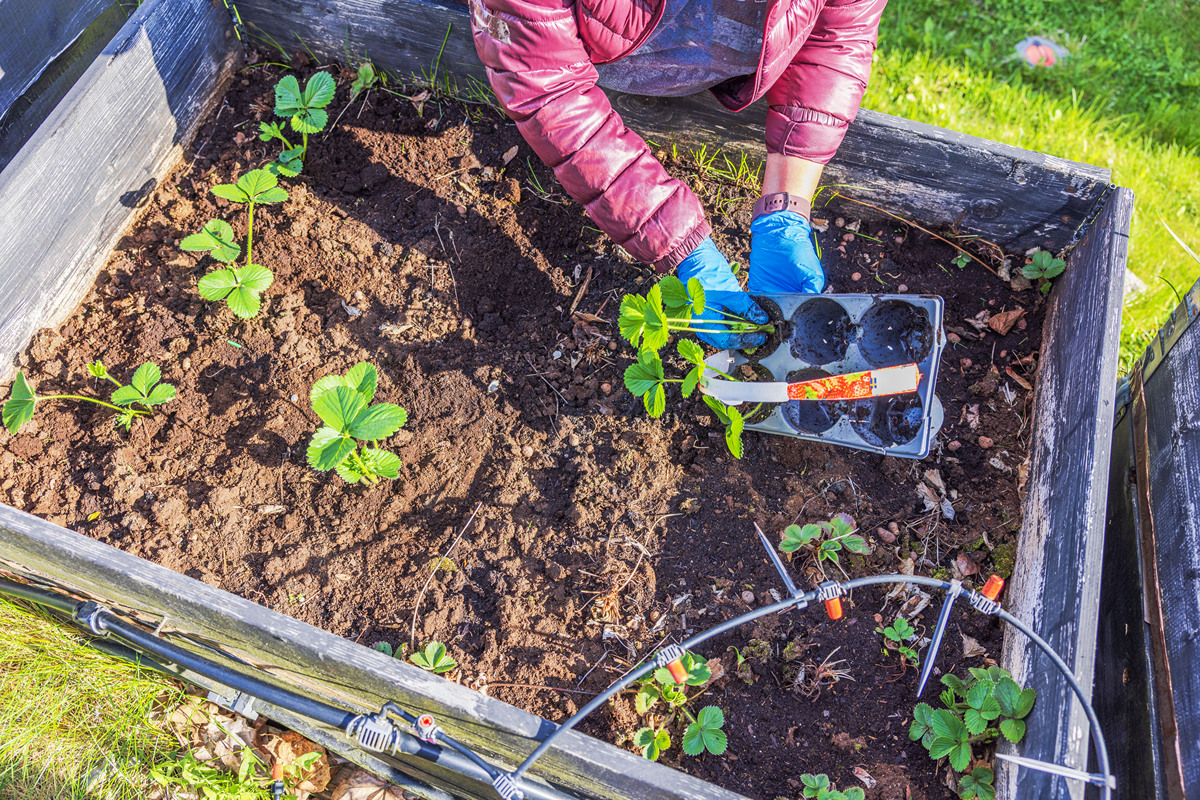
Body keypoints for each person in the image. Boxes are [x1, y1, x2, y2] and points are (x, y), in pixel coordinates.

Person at [468, 0, 887, 349]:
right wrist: (681, 246)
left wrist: (786, 206)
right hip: (573, 45)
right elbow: (547, 87)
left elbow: (838, 34)